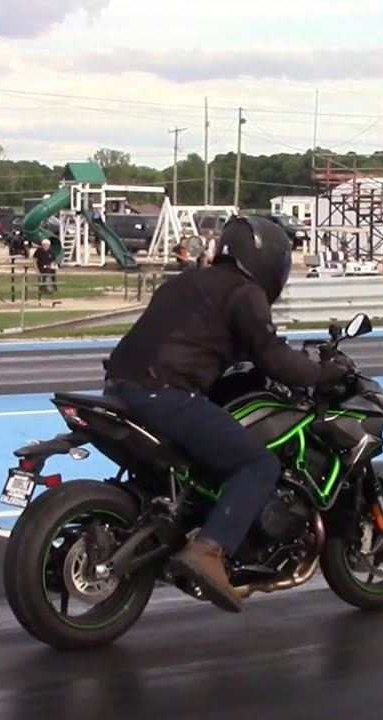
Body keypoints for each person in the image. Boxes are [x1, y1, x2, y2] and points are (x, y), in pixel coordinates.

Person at [102, 215, 349, 614]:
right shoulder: (244, 292)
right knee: (258, 464)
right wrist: (322, 373)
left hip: (119, 390)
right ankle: (209, 550)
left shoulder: (183, 282)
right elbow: (272, 356)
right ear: (268, 258)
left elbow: (199, 340)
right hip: (165, 394)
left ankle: (182, 526)